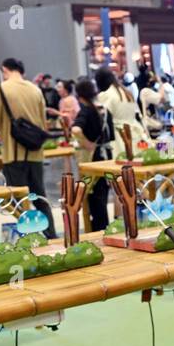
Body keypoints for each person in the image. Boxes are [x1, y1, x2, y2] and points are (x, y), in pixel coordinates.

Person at [0, 57, 56, 238]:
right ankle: (50, 235)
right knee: (40, 197)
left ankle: (29, 236)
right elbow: (43, 123)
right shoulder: (36, 90)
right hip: (35, 152)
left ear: (4, 70)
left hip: (13, 153)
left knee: (17, 199)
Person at [72, 76, 114, 232]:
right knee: (102, 195)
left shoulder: (86, 110)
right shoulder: (103, 110)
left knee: (94, 198)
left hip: (93, 160)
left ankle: (99, 230)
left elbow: (75, 129)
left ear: (79, 95)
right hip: (106, 156)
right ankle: (105, 227)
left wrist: (86, 143)